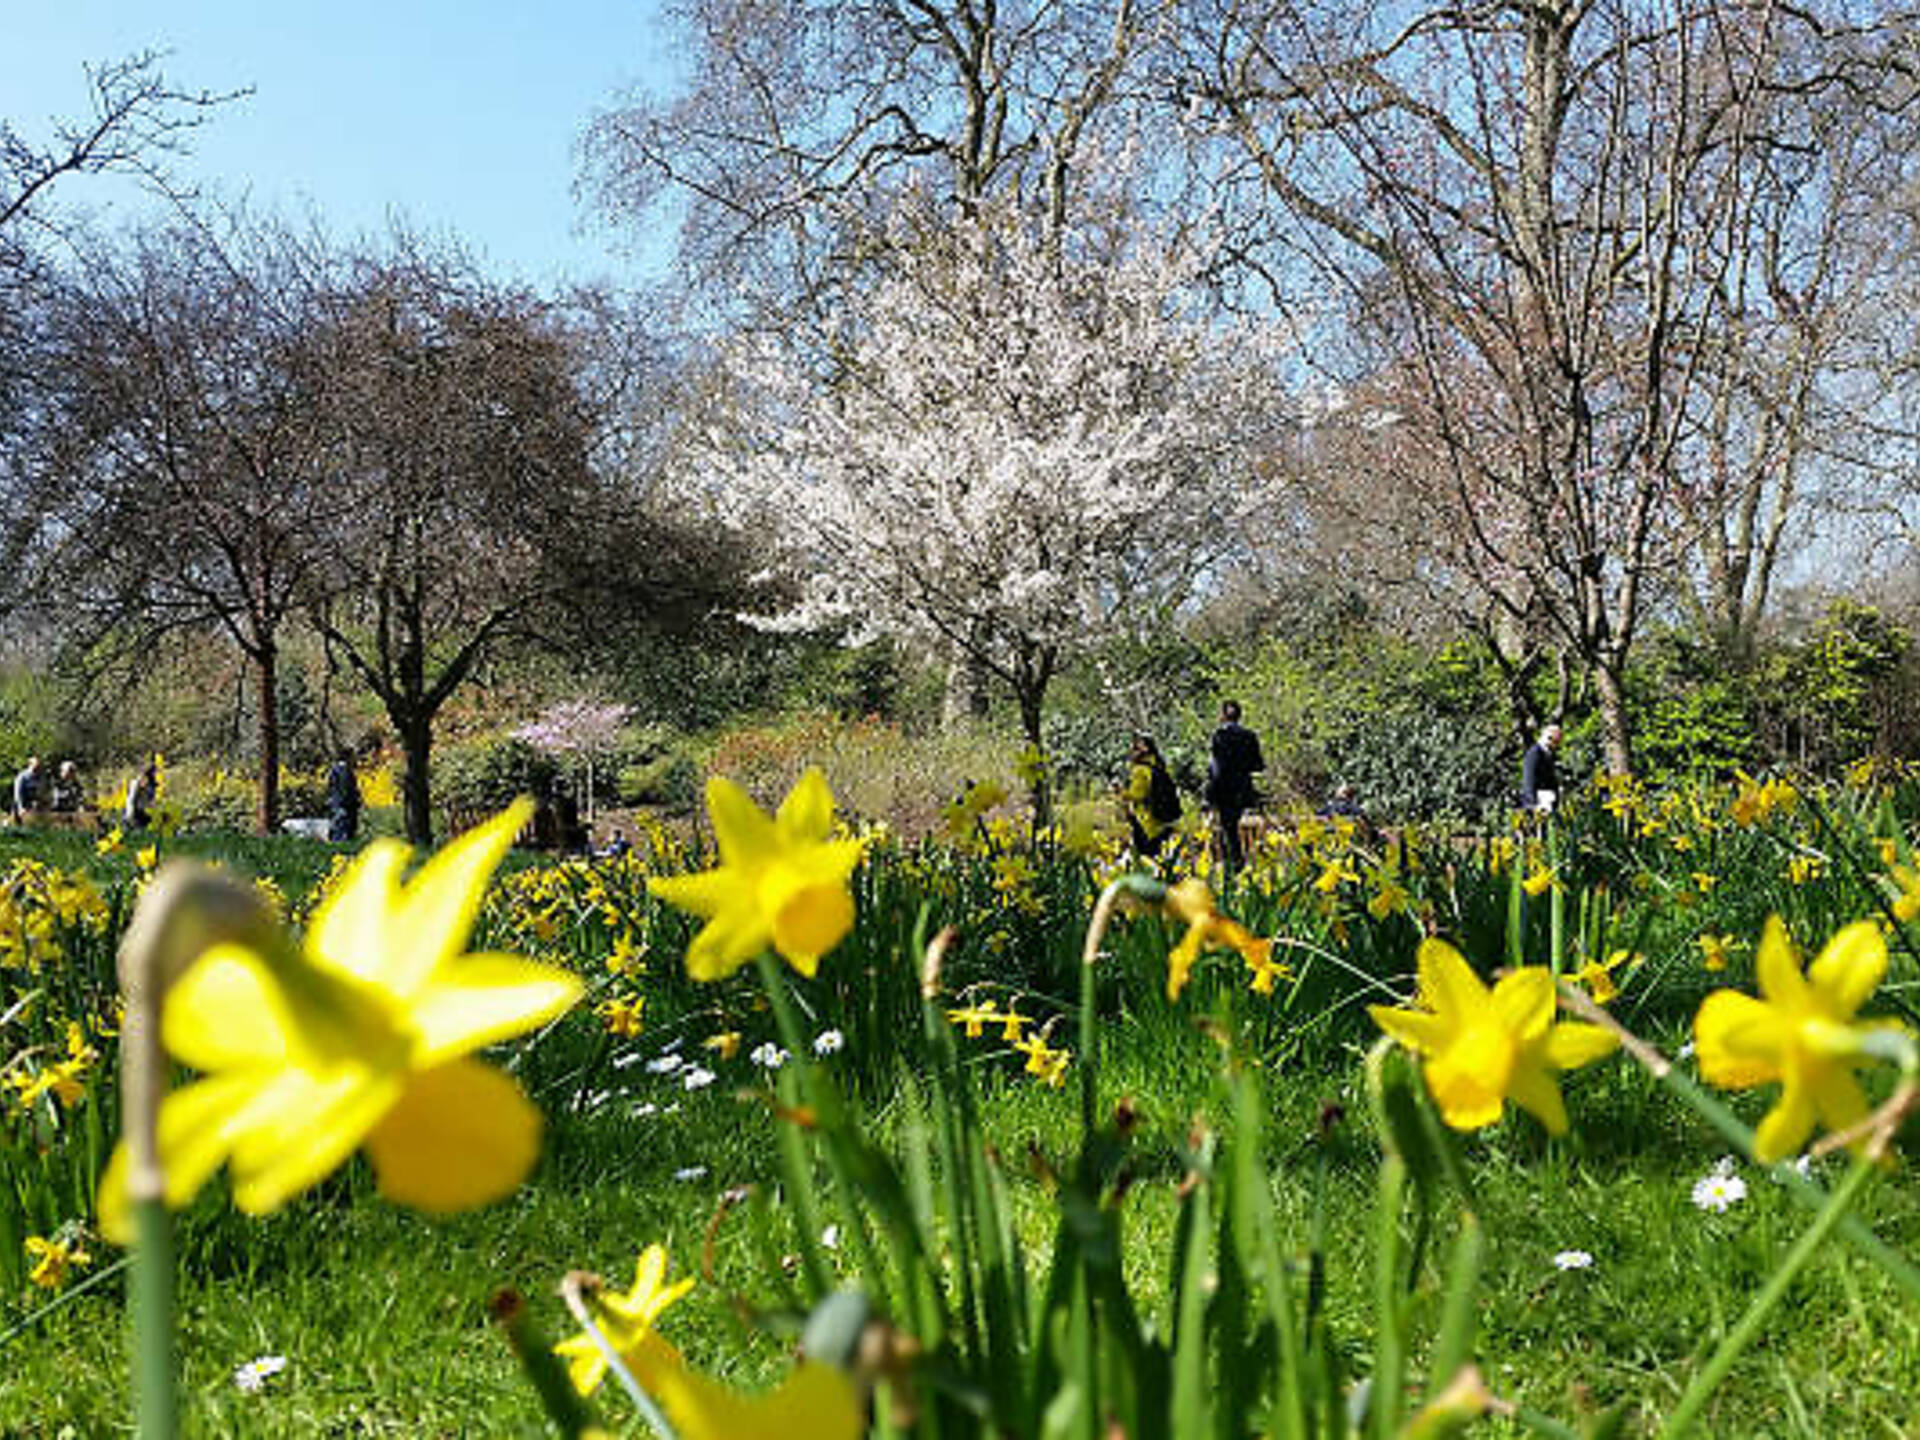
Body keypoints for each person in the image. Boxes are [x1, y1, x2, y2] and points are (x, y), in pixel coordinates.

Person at [1205, 701, 1266, 870]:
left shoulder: (1219, 736)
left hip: (1224, 789)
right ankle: (1247, 864)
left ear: (1223, 715)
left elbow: (1215, 768)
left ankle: (1233, 866)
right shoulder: (1250, 736)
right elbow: (1258, 765)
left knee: (1228, 829)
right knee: (1243, 828)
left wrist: (1209, 793)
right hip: (1243, 788)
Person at [1122, 734, 1181, 859]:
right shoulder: (1158, 766)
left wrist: (1120, 794)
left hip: (1145, 824)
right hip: (1161, 823)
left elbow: (1137, 795)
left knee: (1146, 862)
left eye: (1135, 749)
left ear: (1144, 750)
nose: (1132, 752)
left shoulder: (1140, 770)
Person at [1520, 724, 1563, 813]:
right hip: (1538, 804)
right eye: (1556, 741)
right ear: (1549, 738)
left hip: (1547, 802)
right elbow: (1529, 779)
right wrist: (1533, 805)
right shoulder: (1534, 753)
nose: (1557, 745)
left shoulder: (1547, 753)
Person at [326, 749, 362, 843]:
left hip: (339, 803)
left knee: (339, 827)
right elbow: (345, 789)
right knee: (341, 830)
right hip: (343, 805)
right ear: (347, 757)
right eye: (352, 756)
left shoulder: (336, 770)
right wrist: (353, 800)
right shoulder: (342, 771)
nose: (354, 759)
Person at [124, 757, 158, 830]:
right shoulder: (135, 784)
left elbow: (153, 800)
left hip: (146, 812)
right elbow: (130, 800)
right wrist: (129, 816)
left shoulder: (151, 785)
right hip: (137, 813)